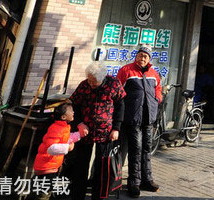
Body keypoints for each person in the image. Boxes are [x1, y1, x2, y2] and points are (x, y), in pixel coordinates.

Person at [66, 63, 125, 200]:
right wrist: (79, 123)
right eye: (90, 80)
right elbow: (74, 105)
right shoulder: (84, 85)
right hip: (85, 131)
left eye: (95, 81)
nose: (91, 84)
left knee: (102, 167)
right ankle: (77, 196)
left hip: (106, 133)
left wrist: (116, 128)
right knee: (80, 165)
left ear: (103, 78)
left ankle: (98, 196)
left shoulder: (114, 84)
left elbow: (120, 106)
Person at [117, 45, 162, 198]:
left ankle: (147, 179)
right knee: (135, 149)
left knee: (147, 148)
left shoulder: (153, 73)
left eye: (146, 56)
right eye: (140, 55)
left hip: (148, 117)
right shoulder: (126, 70)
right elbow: (118, 91)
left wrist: (157, 99)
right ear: (136, 56)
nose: (142, 58)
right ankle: (134, 182)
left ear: (149, 58)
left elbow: (158, 89)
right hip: (133, 117)